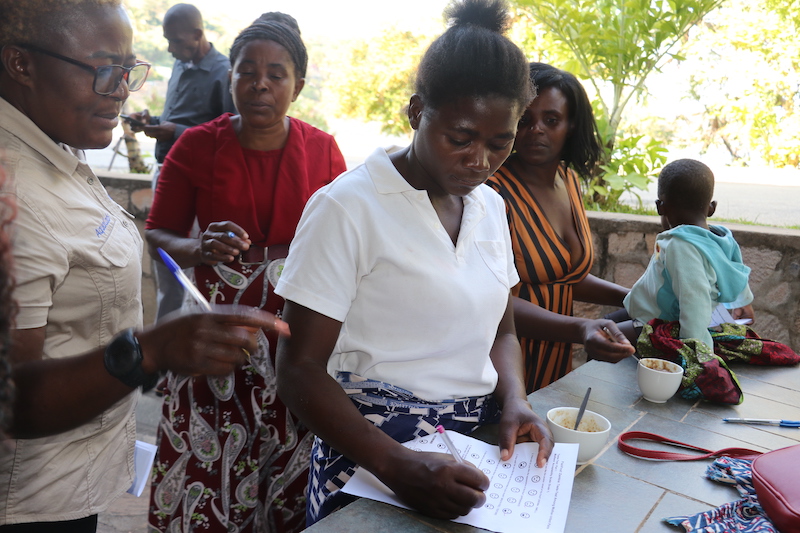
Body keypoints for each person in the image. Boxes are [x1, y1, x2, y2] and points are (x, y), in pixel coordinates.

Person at [0, 1, 286, 531]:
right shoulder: (16, 195)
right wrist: (151, 349)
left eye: (129, 70)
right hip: (30, 500)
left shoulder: (56, 144)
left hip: (72, 473)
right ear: (22, 64)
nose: (123, 89)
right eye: (105, 69)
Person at [274, 0, 554, 526]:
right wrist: (399, 466)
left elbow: (503, 331)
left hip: (473, 444)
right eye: (460, 138)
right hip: (372, 453)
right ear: (415, 113)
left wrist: (515, 400)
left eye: (501, 143)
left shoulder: (490, 206)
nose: (480, 161)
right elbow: (298, 370)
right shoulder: (348, 206)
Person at [144, 13, 346, 533]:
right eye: (246, 71)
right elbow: (156, 234)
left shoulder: (323, 150)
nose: (260, 84)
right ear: (228, 77)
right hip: (216, 326)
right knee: (208, 458)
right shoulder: (194, 146)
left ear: (297, 85)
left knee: (290, 451)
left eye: (276, 74)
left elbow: (348, 242)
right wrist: (199, 245)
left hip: (295, 327)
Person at [487, 63, 634, 393]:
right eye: (524, 120)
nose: (536, 129)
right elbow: (492, 299)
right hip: (501, 371)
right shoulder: (491, 192)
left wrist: (634, 297)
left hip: (553, 367)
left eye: (551, 120)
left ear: (571, 126)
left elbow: (564, 277)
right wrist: (581, 328)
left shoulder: (568, 181)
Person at [129, 3, 237, 320]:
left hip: (195, 184)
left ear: (197, 35)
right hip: (164, 174)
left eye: (175, 41)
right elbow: (184, 120)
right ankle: (164, 345)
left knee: (183, 271)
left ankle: (176, 347)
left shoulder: (223, 73)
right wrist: (154, 121)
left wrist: (174, 131)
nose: (170, 48)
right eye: (167, 40)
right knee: (163, 265)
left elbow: (230, 135)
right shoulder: (181, 65)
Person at [623, 158, 754, 349]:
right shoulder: (720, 236)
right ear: (711, 208)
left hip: (661, 323)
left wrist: (697, 350)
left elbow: (694, 300)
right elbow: (735, 270)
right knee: (608, 323)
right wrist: (743, 302)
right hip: (648, 311)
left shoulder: (680, 245)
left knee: (604, 337)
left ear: (660, 206)